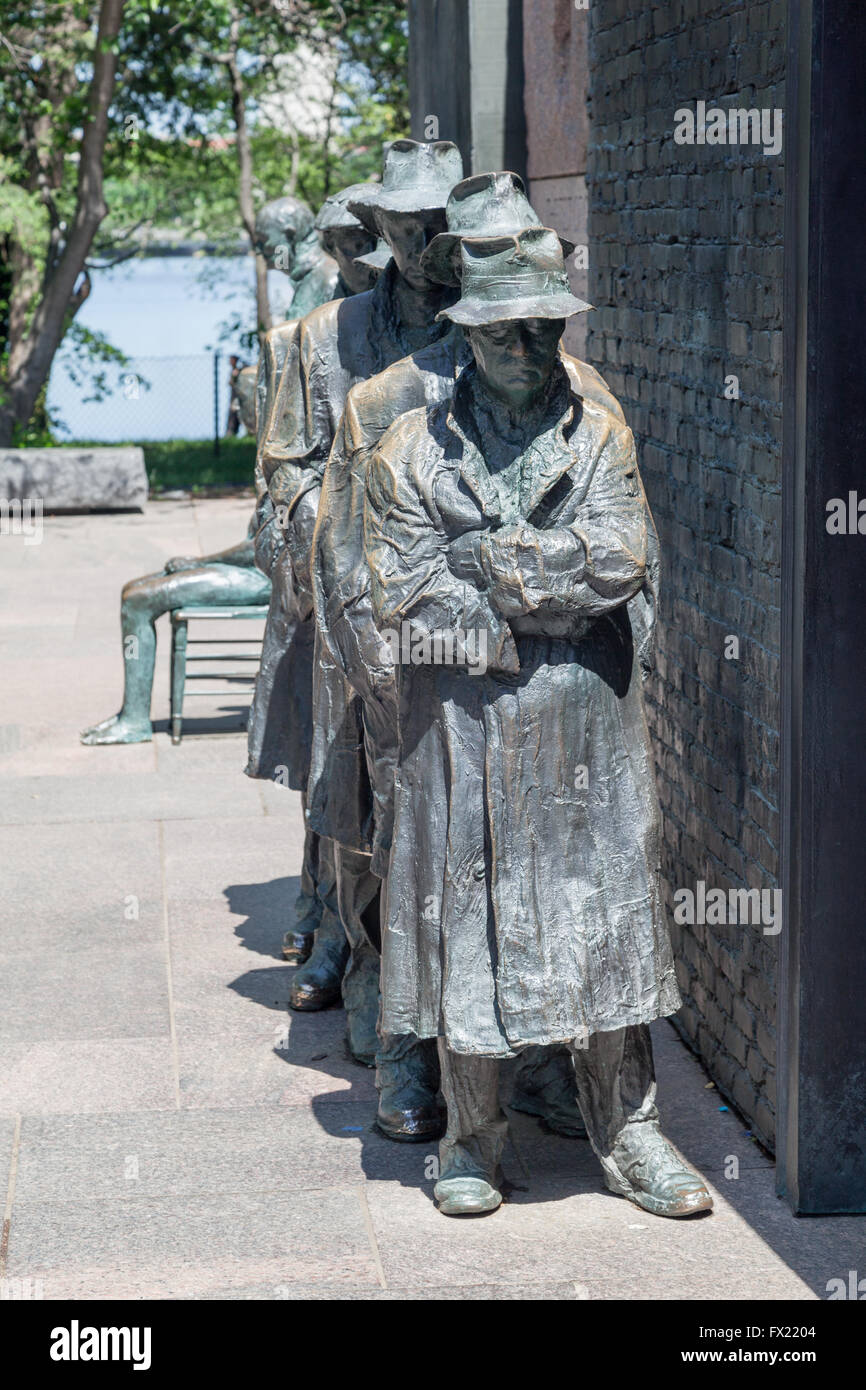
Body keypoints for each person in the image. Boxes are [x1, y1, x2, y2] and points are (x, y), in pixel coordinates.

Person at [364, 228, 714, 1219]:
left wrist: (495, 566)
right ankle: (470, 1139)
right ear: (462, 335)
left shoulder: (600, 436)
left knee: (603, 932)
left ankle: (631, 1132)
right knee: (466, 930)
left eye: (539, 326)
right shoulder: (405, 454)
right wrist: (539, 596)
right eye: (500, 331)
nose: (523, 346)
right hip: (464, 732)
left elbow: (619, 564)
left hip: (585, 727)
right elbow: (410, 604)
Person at [310, 171, 634, 1141]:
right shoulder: (386, 400)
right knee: (413, 869)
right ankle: (408, 1059)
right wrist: (385, 677)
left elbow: (620, 562)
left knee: (535, 871)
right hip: (411, 687)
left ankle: (532, 1062)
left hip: (542, 706)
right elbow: (350, 556)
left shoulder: (581, 398)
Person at [252, 140, 463, 1091]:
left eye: (437, 225)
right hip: (355, 612)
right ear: (377, 229)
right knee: (360, 809)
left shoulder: (494, 335)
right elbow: (284, 481)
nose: (421, 244)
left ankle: (474, 1018)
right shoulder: (321, 340)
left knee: (461, 812)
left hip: (463, 612)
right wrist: (329, 549)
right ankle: (372, 968)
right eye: (404, 226)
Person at [244, 182, 389, 965]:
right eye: (352, 247)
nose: (368, 262)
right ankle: (326, 914)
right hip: (319, 593)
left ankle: (356, 932)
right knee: (327, 770)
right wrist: (307, 543)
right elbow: (272, 482)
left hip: (398, 596)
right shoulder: (297, 341)